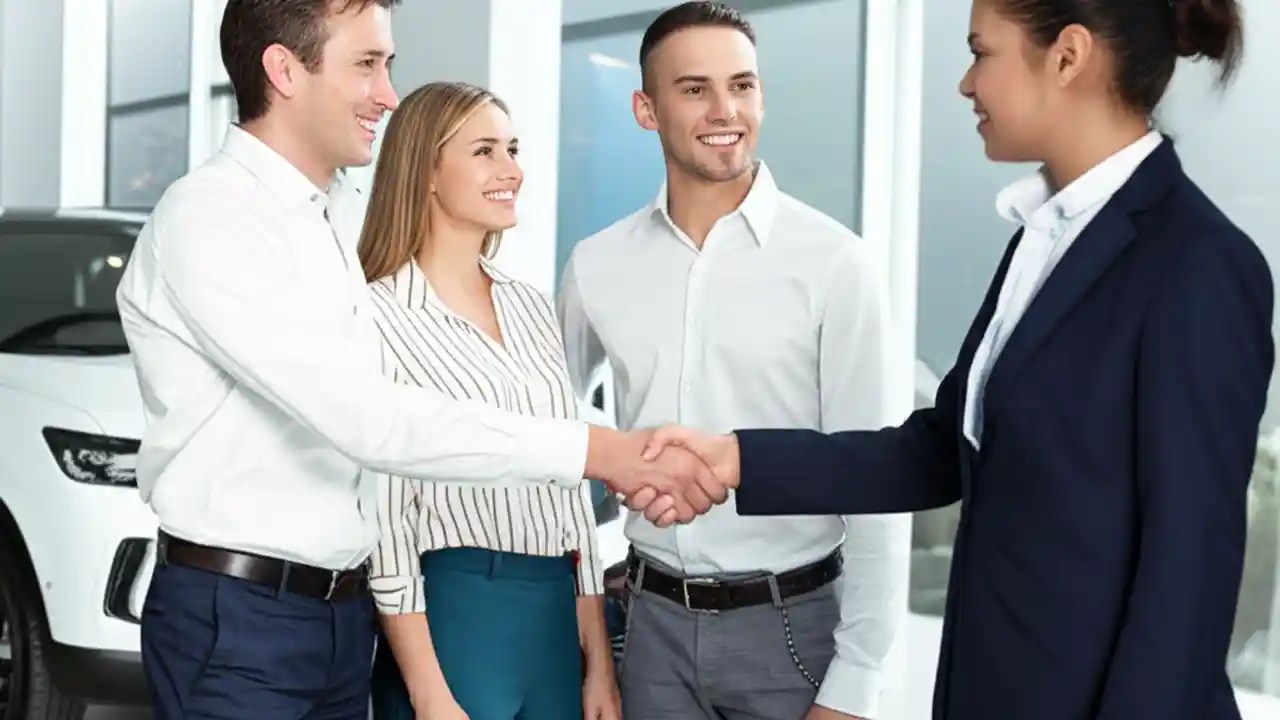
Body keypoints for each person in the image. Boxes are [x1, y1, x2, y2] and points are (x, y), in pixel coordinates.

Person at [643, 0, 1274, 718]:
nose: (966, 84)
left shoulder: (1198, 264)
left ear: (1067, 56)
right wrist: (736, 459)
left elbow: (1186, 580)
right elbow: (941, 452)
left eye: (982, 52)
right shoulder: (1043, 242)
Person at [114, 2, 721, 718]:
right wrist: (601, 450)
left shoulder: (335, 217)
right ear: (283, 71)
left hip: (338, 619)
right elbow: (370, 422)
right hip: (241, 616)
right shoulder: (212, 219)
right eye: (366, 65)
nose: (387, 95)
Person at [558, 4, 910, 719]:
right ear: (645, 109)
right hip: (649, 627)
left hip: (792, 632)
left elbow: (878, 476)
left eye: (743, 85)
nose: (726, 110)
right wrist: (594, 644)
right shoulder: (596, 265)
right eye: (694, 89)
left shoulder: (834, 263)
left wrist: (858, 681)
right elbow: (557, 440)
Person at [355, 81, 620, 720]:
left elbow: (570, 498)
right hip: (453, 616)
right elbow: (387, 519)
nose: (512, 170)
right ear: (426, 172)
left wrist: (600, 668)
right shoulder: (375, 314)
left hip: (555, 618)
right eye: (485, 151)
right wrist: (427, 691)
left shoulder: (531, 308)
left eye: (513, 148)